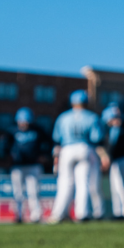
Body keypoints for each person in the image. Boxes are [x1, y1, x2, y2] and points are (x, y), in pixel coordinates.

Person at [47, 90, 108, 223]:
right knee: (83, 183)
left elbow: (57, 140)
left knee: (64, 183)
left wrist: (56, 157)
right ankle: (82, 214)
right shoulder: (92, 117)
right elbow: (97, 139)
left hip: (66, 150)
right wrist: (104, 156)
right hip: (84, 148)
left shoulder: (63, 117)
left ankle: (58, 214)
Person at [2, 107, 51, 223]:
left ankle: (36, 216)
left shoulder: (38, 130)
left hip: (34, 165)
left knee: (34, 191)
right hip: (17, 166)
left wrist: (44, 155)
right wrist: (9, 157)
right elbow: (5, 147)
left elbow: (48, 144)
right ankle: (18, 215)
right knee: (17, 192)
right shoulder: (11, 131)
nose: (24, 124)